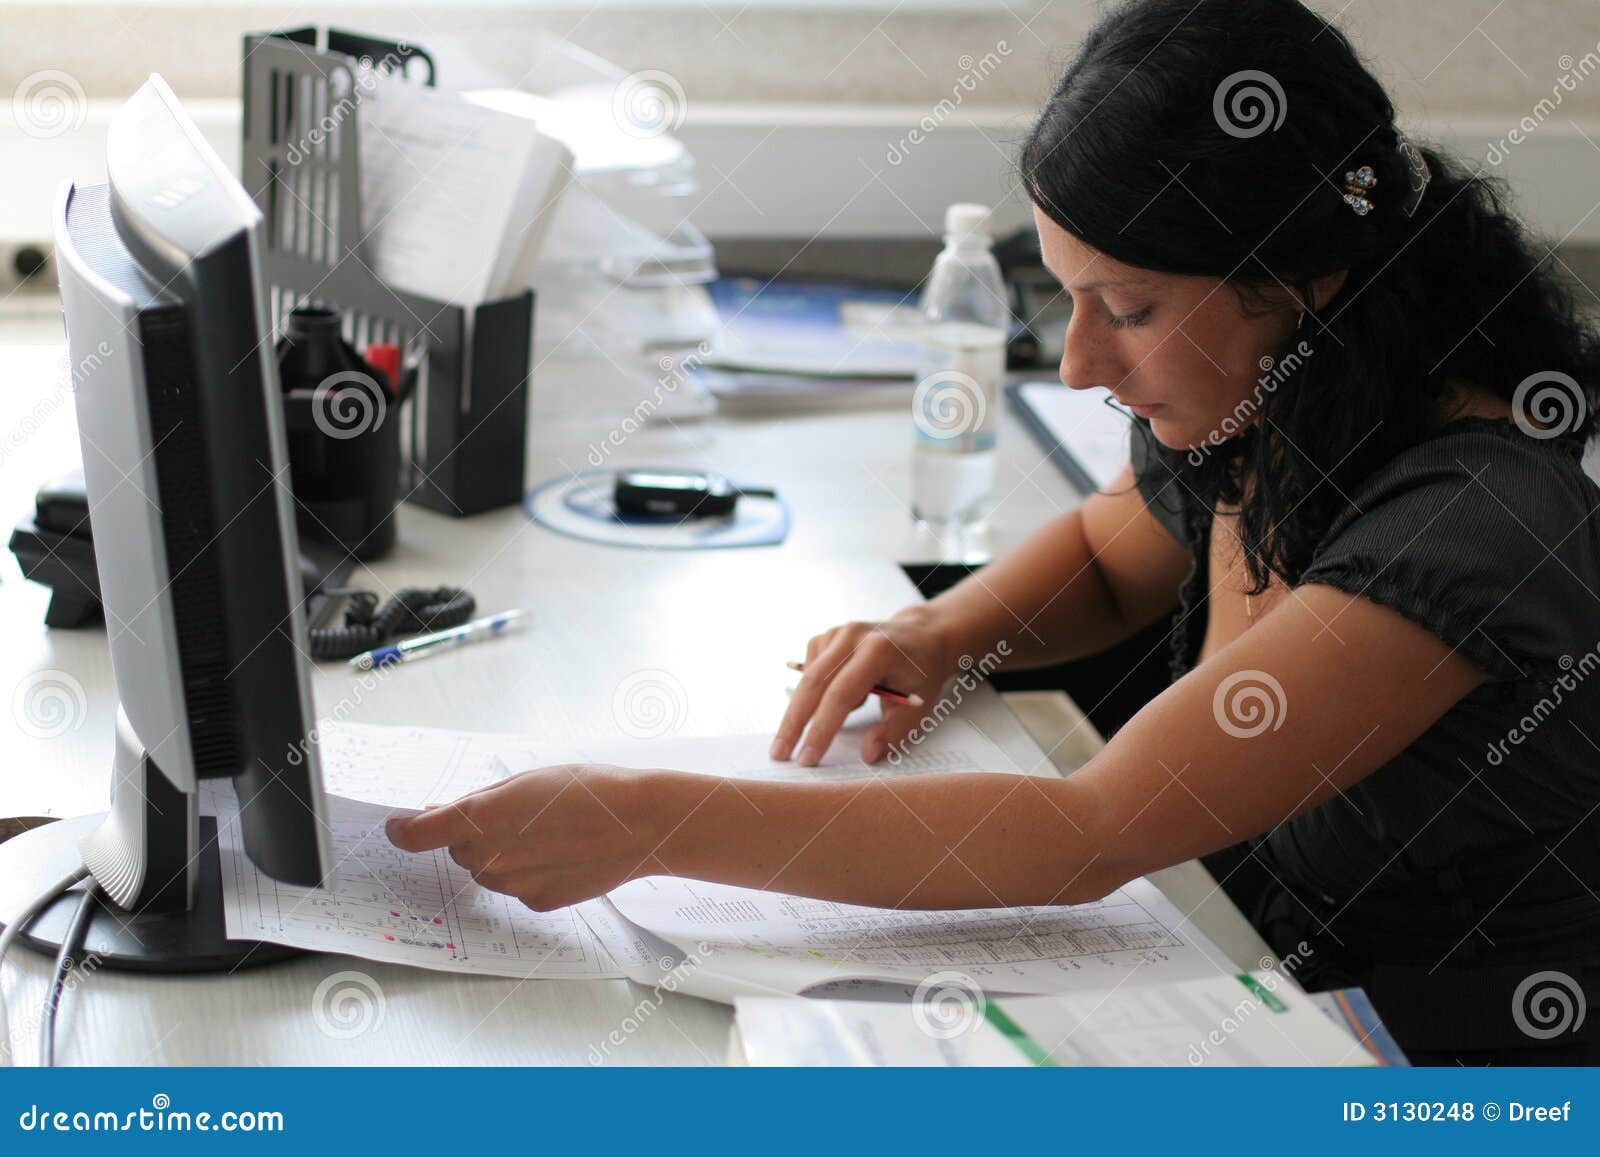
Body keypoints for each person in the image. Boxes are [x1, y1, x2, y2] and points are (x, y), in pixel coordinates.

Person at [387, 0, 1600, 1063]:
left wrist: (646, 819)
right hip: (1250, 970)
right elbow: (1105, 555)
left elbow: (1085, 833)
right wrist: (944, 627)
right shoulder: (1285, 395)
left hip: (1449, 1073)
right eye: (1066, 297)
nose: (1078, 363)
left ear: (1299, 279)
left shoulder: (1473, 524)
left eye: (1125, 308)